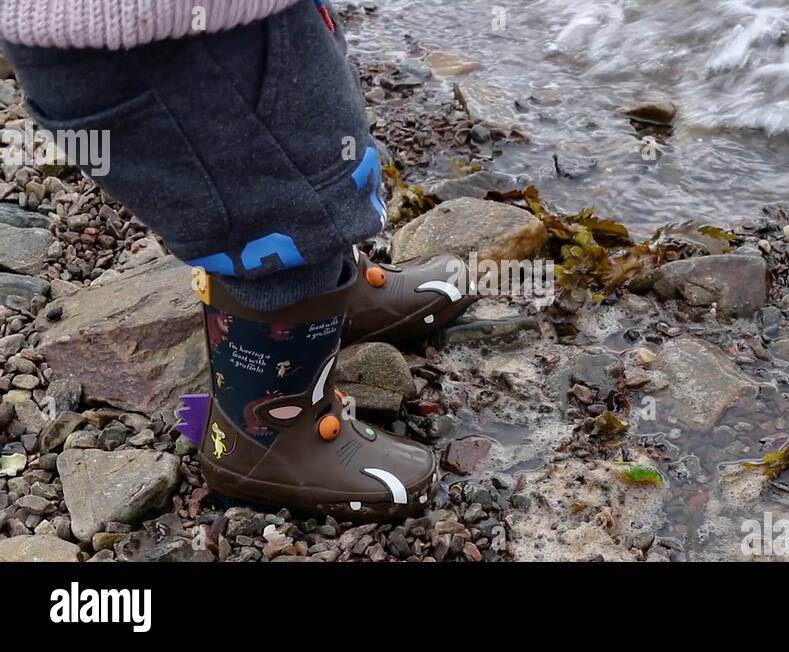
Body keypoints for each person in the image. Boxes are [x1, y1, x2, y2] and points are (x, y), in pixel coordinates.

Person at [0, 0, 475, 521]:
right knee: (268, 198)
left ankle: (325, 295)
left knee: (309, 145)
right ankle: (266, 441)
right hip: (156, 35)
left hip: (206, 24)